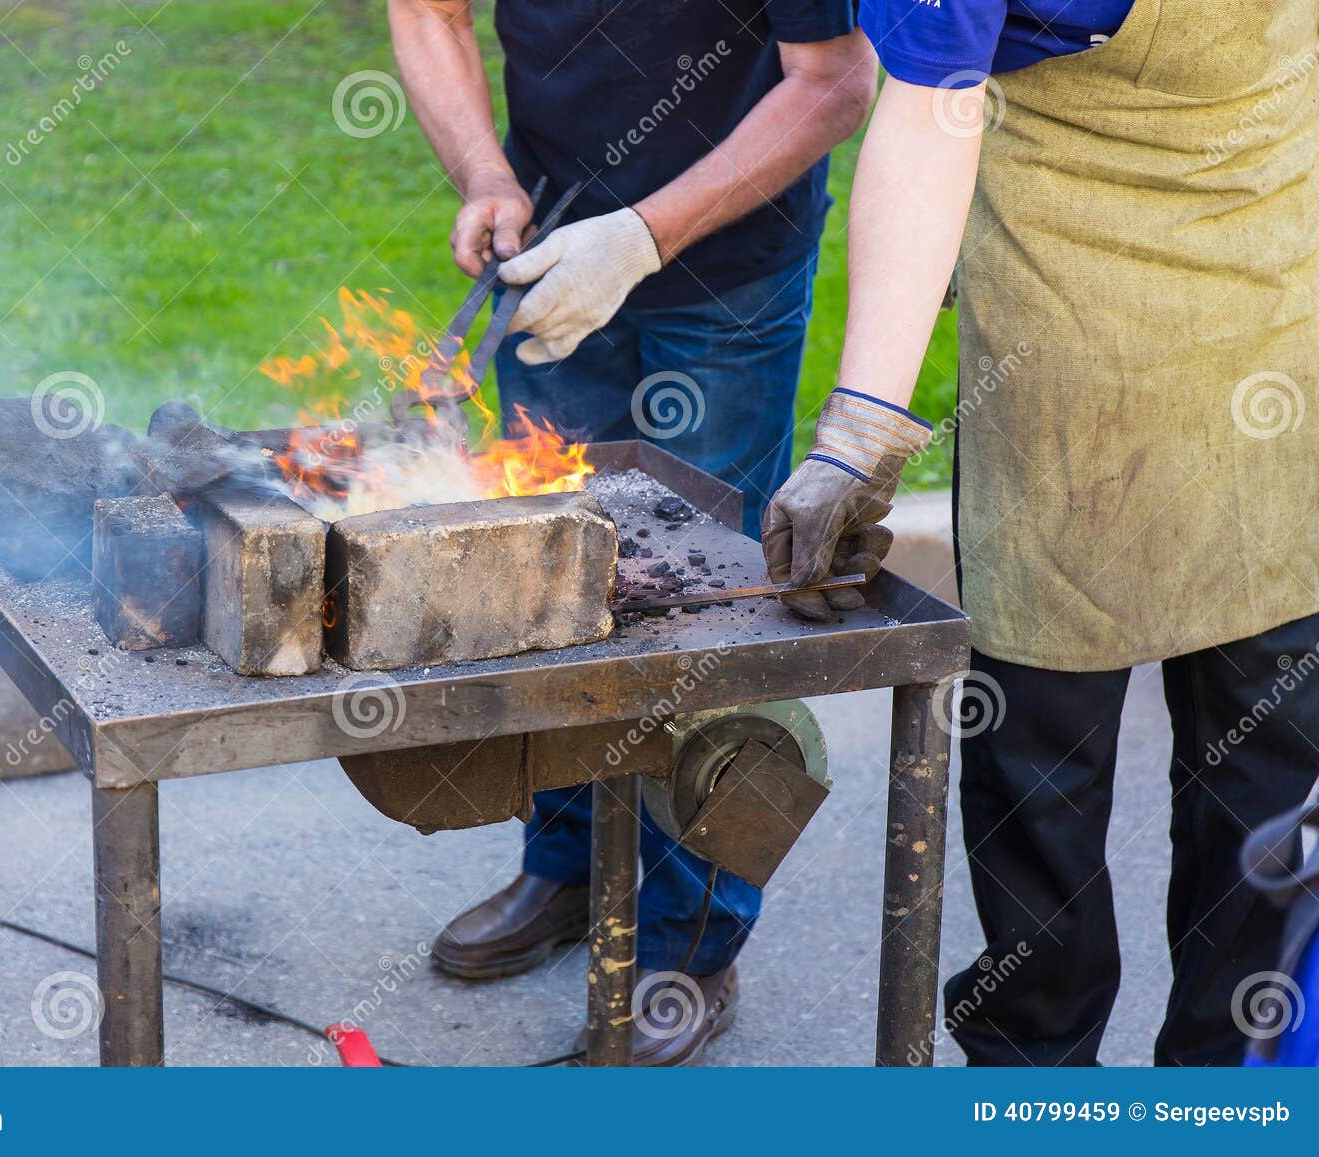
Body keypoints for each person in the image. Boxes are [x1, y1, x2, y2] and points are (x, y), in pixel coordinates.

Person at [766, 0, 1319, 1065]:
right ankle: (1087, 1083)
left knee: (1163, 764)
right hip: (1082, 332)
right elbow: (931, 114)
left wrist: (859, 436)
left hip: (1274, 301)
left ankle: (1191, 1092)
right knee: (1088, 760)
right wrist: (861, 433)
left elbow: (928, 111)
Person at [388, 0, 874, 1063]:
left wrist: (642, 239)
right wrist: (484, 175)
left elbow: (836, 80)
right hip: (548, 234)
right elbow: (427, 11)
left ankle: (694, 937)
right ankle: (567, 865)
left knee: (700, 612)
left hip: (728, 267)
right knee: (546, 581)